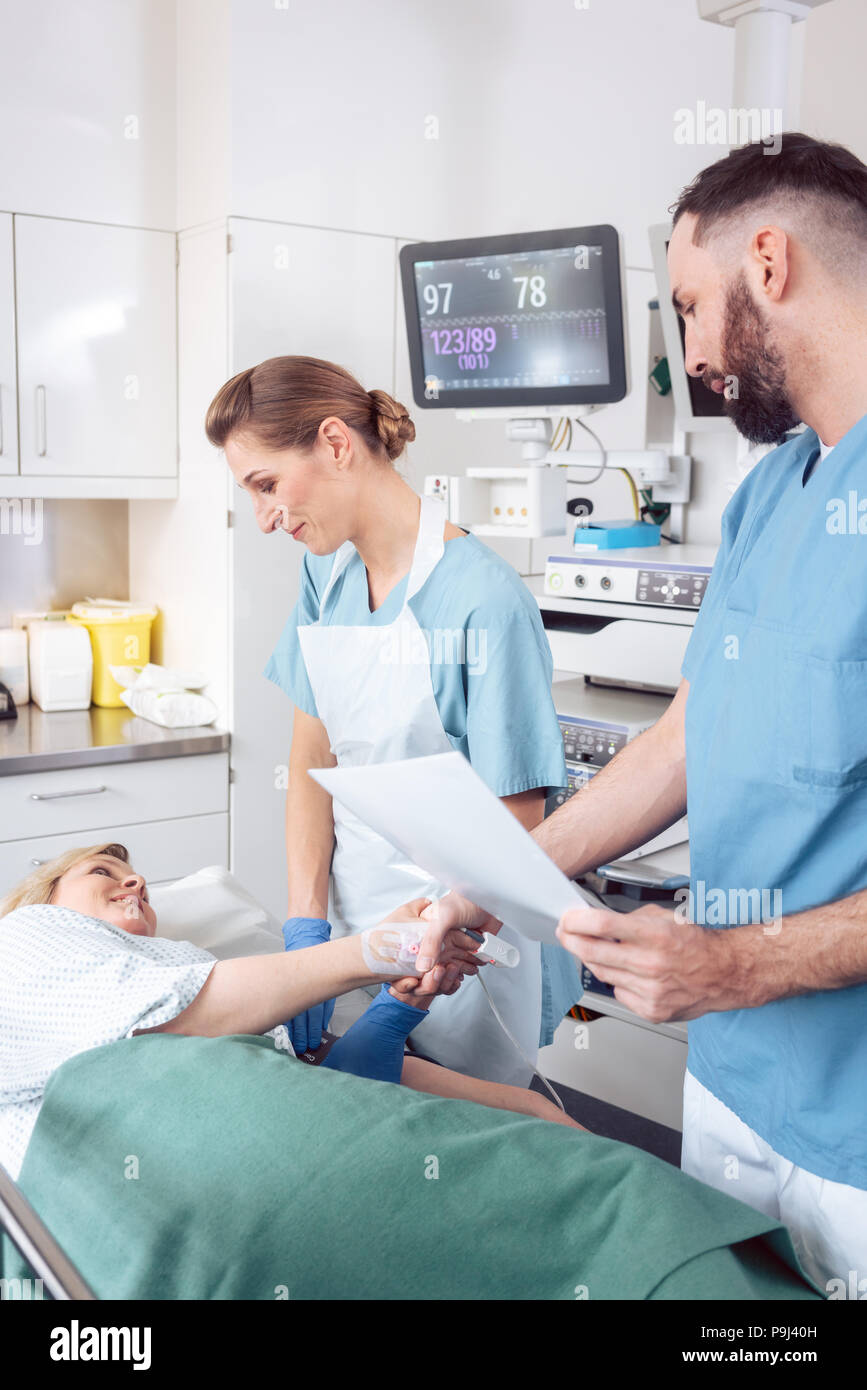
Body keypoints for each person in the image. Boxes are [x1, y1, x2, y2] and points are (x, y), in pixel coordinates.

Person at [418, 133, 867, 1294]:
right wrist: (499, 878)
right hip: (733, 1084)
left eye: (690, 305)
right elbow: (681, 741)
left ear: (768, 262)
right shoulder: (772, 493)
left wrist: (740, 962)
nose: (695, 354)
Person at [204, 355, 579, 1085]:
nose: (264, 518)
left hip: (461, 954)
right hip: (352, 933)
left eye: (266, 484)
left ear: (335, 443)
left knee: (455, 1138)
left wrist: (414, 982)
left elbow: (517, 831)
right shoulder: (326, 573)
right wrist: (307, 928)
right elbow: (312, 759)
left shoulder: (483, 601)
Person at [0, 844, 579, 1181]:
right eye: (100, 871)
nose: (136, 881)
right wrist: (372, 951)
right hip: (210, 1171)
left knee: (535, 1113)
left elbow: (321, 1088)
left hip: (300, 1132)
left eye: (135, 880)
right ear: (44, 898)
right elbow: (175, 1016)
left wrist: (399, 1004)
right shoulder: (24, 936)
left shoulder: (190, 965)